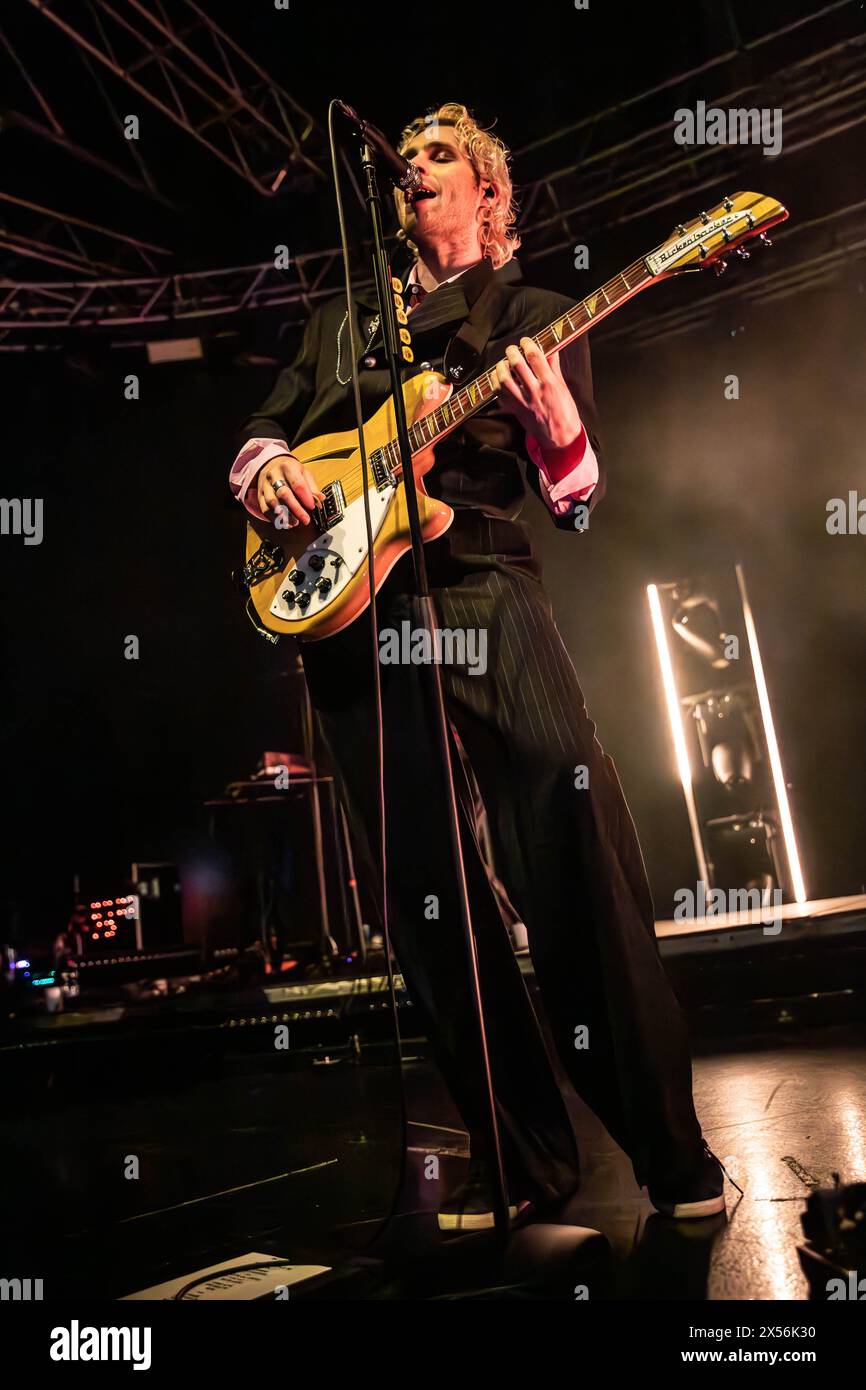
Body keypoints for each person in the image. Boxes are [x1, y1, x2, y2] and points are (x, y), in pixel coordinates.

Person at [230, 102, 730, 1229]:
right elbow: (261, 432)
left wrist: (554, 421)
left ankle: (666, 1146)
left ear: (488, 192)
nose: (413, 167)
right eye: (404, 155)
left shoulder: (540, 313)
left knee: (569, 815)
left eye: (438, 154)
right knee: (423, 888)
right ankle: (521, 1161)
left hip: (481, 578)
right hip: (351, 608)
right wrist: (261, 470)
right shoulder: (340, 316)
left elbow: (576, 493)